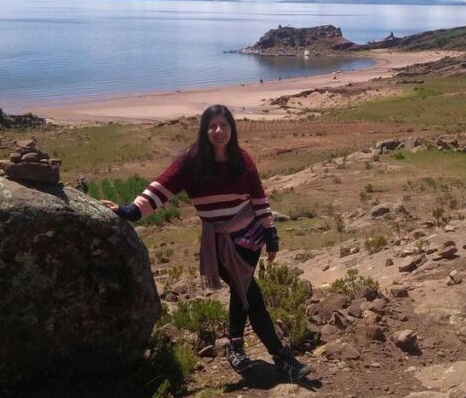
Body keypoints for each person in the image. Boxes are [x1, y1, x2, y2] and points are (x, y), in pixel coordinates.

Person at [104, 104, 311, 381]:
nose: (218, 131)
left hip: (249, 241)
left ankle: (236, 348)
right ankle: (282, 358)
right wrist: (131, 211)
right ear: (204, 130)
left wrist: (271, 235)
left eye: (223, 125)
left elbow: (259, 198)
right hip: (218, 244)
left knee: (242, 294)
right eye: (212, 126)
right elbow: (160, 189)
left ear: (231, 129)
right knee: (252, 297)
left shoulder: (242, 159)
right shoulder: (190, 161)